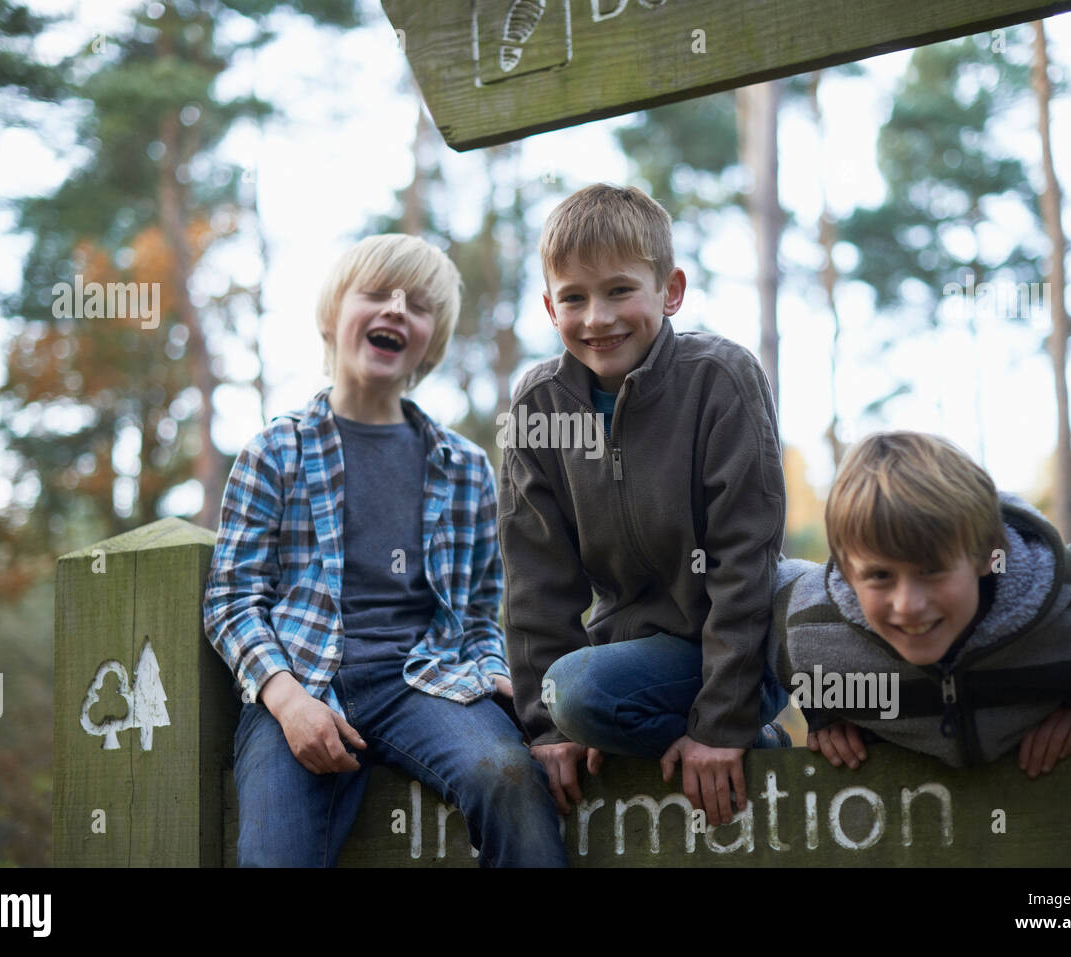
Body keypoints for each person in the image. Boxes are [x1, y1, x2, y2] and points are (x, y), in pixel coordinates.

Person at [204, 233, 567, 867]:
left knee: (510, 779)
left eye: (418, 307)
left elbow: (478, 615)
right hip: (305, 675)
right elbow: (231, 600)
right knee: (274, 855)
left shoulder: (465, 468)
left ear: (431, 341)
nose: (397, 311)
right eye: (376, 295)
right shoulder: (274, 452)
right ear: (331, 316)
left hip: (422, 679)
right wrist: (287, 701)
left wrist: (495, 675)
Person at [498, 183, 791, 829]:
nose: (597, 317)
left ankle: (747, 738)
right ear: (551, 307)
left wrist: (720, 725)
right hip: (636, 653)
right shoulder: (539, 407)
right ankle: (672, 731)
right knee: (568, 693)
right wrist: (549, 731)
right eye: (574, 297)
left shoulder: (720, 379)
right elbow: (535, 578)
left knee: (582, 690)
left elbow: (746, 559)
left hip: (742, 642)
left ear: (671, 290)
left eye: (620, 290)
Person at [769, 430, 1071, 776]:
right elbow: (763, 607)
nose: (909, 604)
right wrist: (827, 711)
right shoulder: (810, 627)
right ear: (845, 569)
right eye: (880, 576)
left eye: (931, 570)